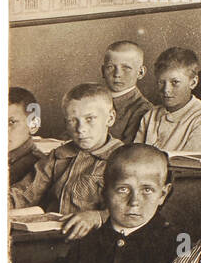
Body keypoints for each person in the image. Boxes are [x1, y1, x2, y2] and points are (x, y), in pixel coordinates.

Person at [41, 144, 179, 263]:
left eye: (147, 190)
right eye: (123, 189)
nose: (134, 201)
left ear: (163, 194)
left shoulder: (175, 244)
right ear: (104, 192)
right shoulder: (86, 243)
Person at [9, 83, 122, 238]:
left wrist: (97, 217)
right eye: (72, 121)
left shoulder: (123, 159)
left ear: (110, 118)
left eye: (90, 119)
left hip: (94, 239)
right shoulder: (58, 155)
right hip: (52, 236)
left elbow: (129, 207)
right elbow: (25, 193)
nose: (81, 128)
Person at [134, 47, 201, 151]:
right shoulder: (151, 115)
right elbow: (136, 153)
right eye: (161, 82)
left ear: (193, 82)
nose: (166, 90)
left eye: (175, 82)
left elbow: (190, 163)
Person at [101, 41, 153, 142]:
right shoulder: (92, 99)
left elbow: (127, 153)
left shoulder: (143, 110)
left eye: (126, 68)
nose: (117, 74)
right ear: (103, 71)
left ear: (140, 72)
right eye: (110, 67)